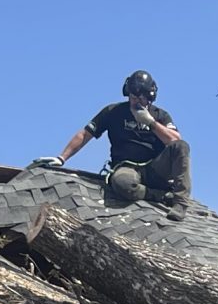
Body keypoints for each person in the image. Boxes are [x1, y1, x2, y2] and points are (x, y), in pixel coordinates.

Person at [52, 71, 191, 209]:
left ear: (150, 98)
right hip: (126, 168)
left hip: (154, 169)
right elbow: (85, 134)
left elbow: (175, 140)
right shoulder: (113, 111)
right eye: (132, 97)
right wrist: (61, 158)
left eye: (140, 98)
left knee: (182, 146)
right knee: (122, 183)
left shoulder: (160, 115)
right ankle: (161, 196)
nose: (135, 101)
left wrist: (151, 123)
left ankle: (180, 201)